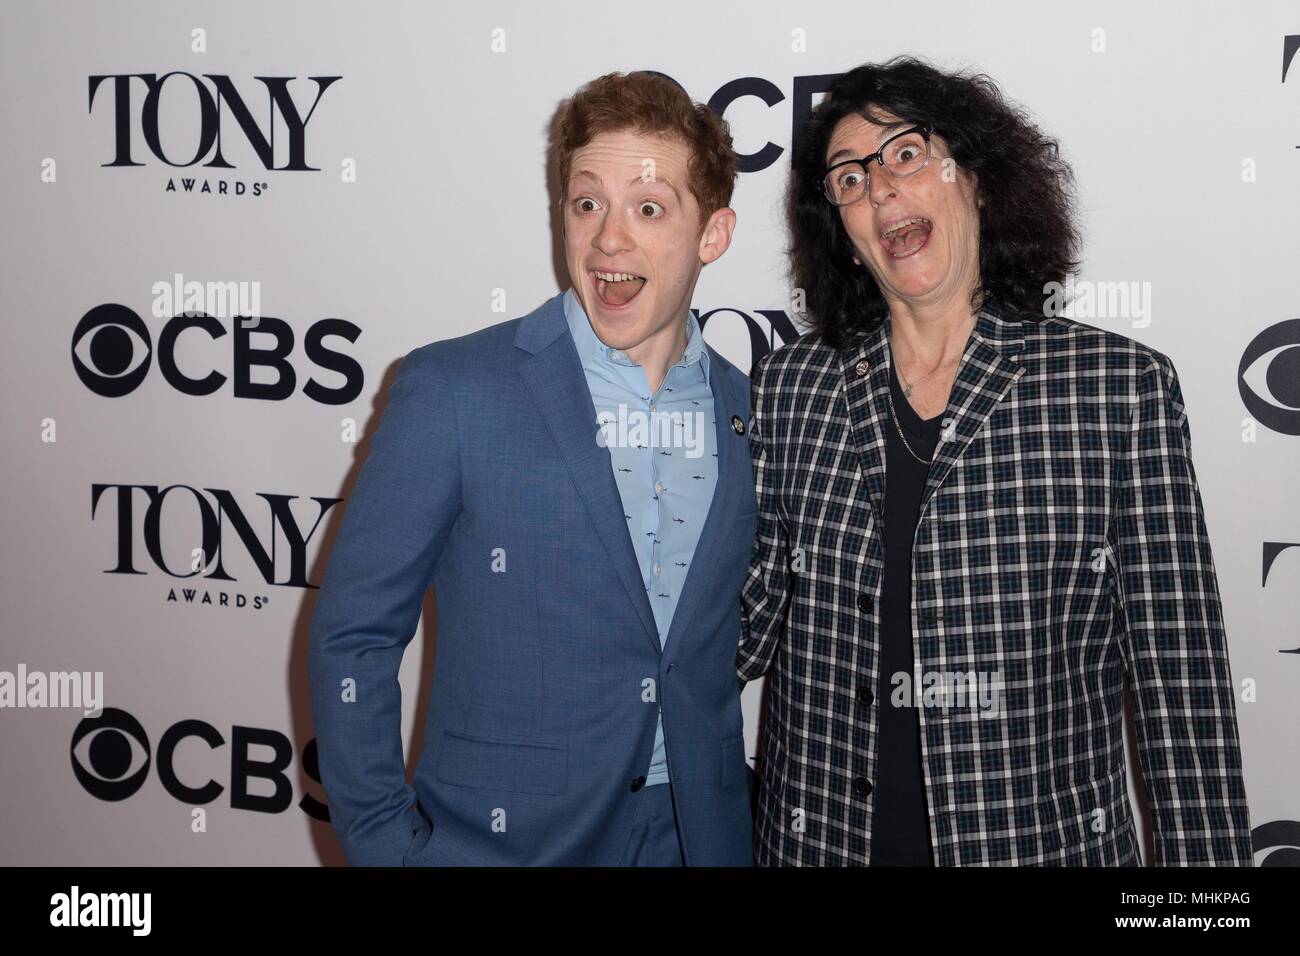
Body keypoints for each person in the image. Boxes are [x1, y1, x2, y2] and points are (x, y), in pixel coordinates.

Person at [738, 56, 1252, 866]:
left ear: (974, 175)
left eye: (905, 154)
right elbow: (739, 617)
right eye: (847, 178)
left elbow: (1179, 688)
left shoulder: (1117, 390)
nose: (878, 190)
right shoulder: (793, 384)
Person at [309, 71, 755, 866]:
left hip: (701, 837)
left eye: (648, 209)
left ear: (713, 234)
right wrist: (388, 848)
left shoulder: (749, 409)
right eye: (588, 204)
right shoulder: (454, 391)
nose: (608, 240)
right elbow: (353, 635)